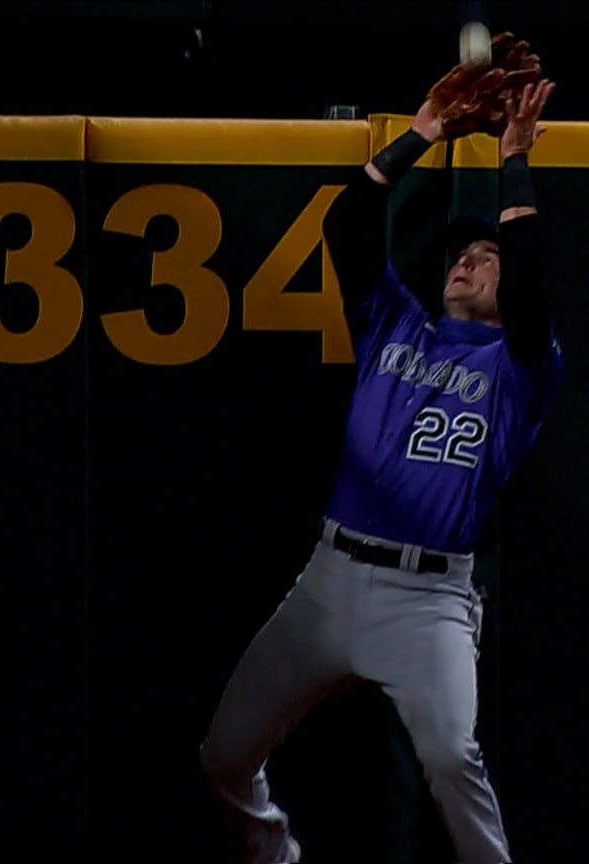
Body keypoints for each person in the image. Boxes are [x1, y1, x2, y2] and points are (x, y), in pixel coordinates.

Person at [198, 76, 563, 864]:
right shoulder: (396, 319)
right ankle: (275, 857)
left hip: (429, 599)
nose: (467, 259)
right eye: (461, 252)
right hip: (330, 580)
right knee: (223, 757)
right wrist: (425, 129)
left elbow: (530, 285)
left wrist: (515, 160)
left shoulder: (520, 368)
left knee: (450, 761)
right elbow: (347, 222)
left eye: (484, 255)